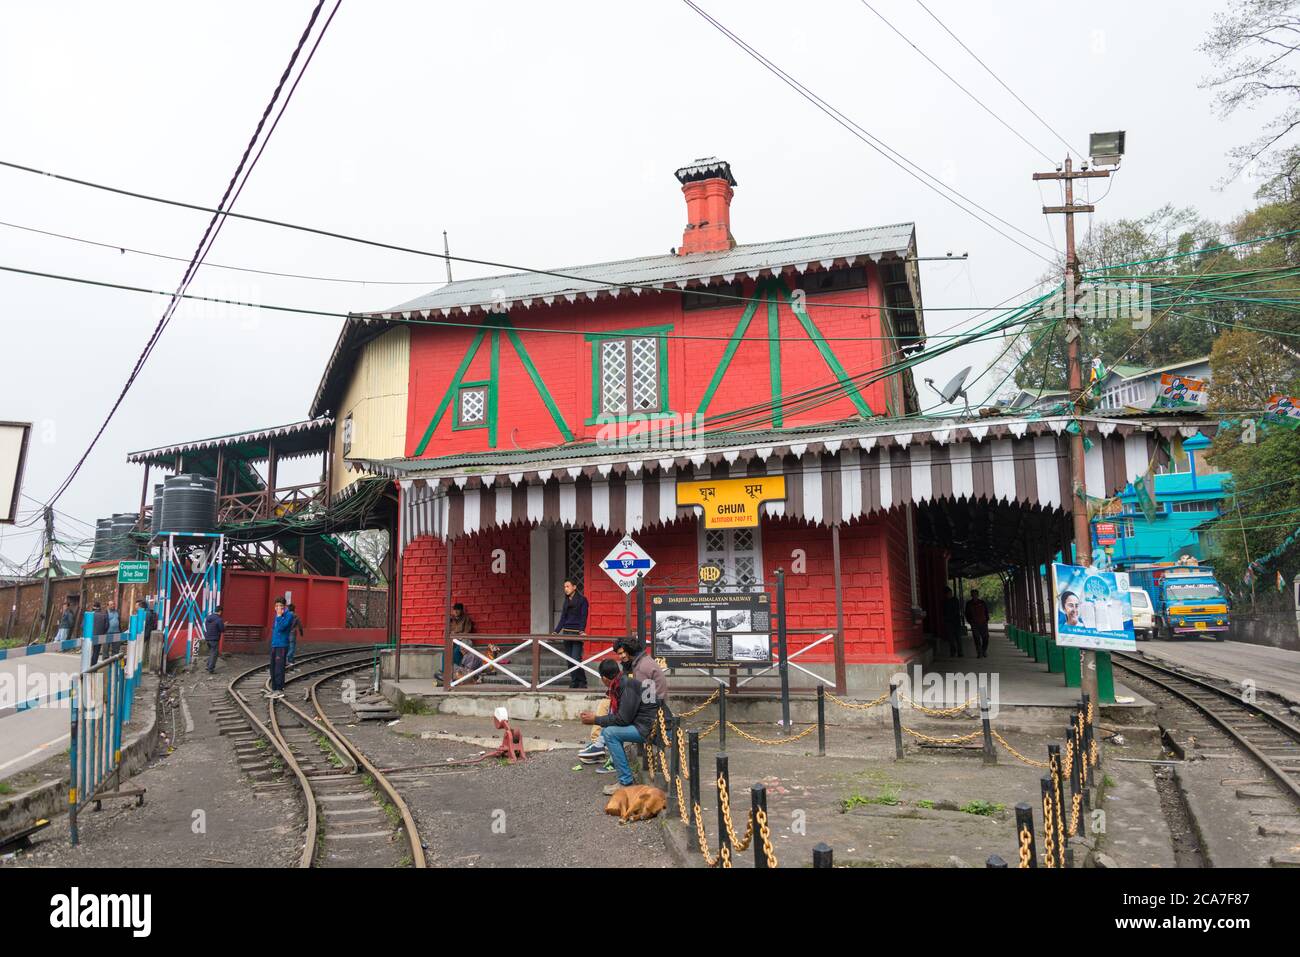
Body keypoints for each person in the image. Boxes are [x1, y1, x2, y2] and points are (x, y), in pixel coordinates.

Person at [580, 659, 657, 796]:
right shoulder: (621, 683)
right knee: (609, 730)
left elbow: (622, 719)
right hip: (643, 724)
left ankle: (625, 782)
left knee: (610, 733)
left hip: (648, 728)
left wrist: (596, 719)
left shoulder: (626, 686)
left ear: (604, 678)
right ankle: (600, 748)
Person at [553, 578, 589, 689]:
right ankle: (574, 681)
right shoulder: (566, 601)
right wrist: (556, 631)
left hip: (577, 632)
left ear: (574, 587)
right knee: (569, 659)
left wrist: (582, 631)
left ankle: (582, 681)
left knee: (576, 658)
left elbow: (584, 617)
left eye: (568, 586)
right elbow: (562, 618)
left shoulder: (582, 600)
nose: (566, 589)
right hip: (566, 632)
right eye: (564, 587)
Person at [267, 597, 297, 699]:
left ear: (284, 607)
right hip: (275, 644)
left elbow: (281, 628)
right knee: (273, 668)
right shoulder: (277, 616)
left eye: (280, 606)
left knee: (279, 668)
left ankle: (280, 689)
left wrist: (279, 616)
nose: (278, 608)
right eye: (276, 606)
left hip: (282, 645)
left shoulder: (288, 616)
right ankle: (274, 689)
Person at [964, 588, 990, 659]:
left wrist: (986, 619)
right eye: (973, 595)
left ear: (977, 595)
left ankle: (984, 650)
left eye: (975, 594)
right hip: (974, 624)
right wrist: (970, 622)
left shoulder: (982, 602)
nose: (974, 596)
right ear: (971, 595)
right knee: (976, 638)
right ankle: (979, 653)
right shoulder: (969, 604)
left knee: (986, 638)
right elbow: (967, 613)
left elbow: (986, 611)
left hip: (983, 623)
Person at [942, 587, 964, 658]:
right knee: (951, 639)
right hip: (949, 623)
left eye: (950, 593)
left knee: (958, 638)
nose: (949, 595)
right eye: (948, 594)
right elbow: (943, 612)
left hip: (956, 622)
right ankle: (953, 651)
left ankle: (960, 652)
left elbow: (957, 610)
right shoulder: (944, 602)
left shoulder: (955, 600)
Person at [204, 604, 225, 674]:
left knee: (211, 652)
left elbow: (208, 627)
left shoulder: (208, 617)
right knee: (214, 653)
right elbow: (222, 629)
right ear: (220, 611)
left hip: (207, 637)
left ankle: (208, 666)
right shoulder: (219, 619)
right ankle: (210, 669)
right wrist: (224, 625)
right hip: (214, 638)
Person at [89, 601, 109, 666]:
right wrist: (103, 633)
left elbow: (83, 625)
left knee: (88, 650)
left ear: (93, 607)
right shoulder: (104, 615)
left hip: (89, 636)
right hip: (99, 636)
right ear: (99, 607)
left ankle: (86, 664)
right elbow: (107, 626)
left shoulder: (89, 614)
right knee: (96, 652)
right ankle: (93, 666)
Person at [287, 603, 305, 667]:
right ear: (294, 609)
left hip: (286, 633)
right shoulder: (295, 616)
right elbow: (300, 625)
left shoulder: (286, 615)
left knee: (287, 646)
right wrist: (301, 632)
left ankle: (288, 660)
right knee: (292, 646)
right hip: (292, 633)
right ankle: (289, 660)